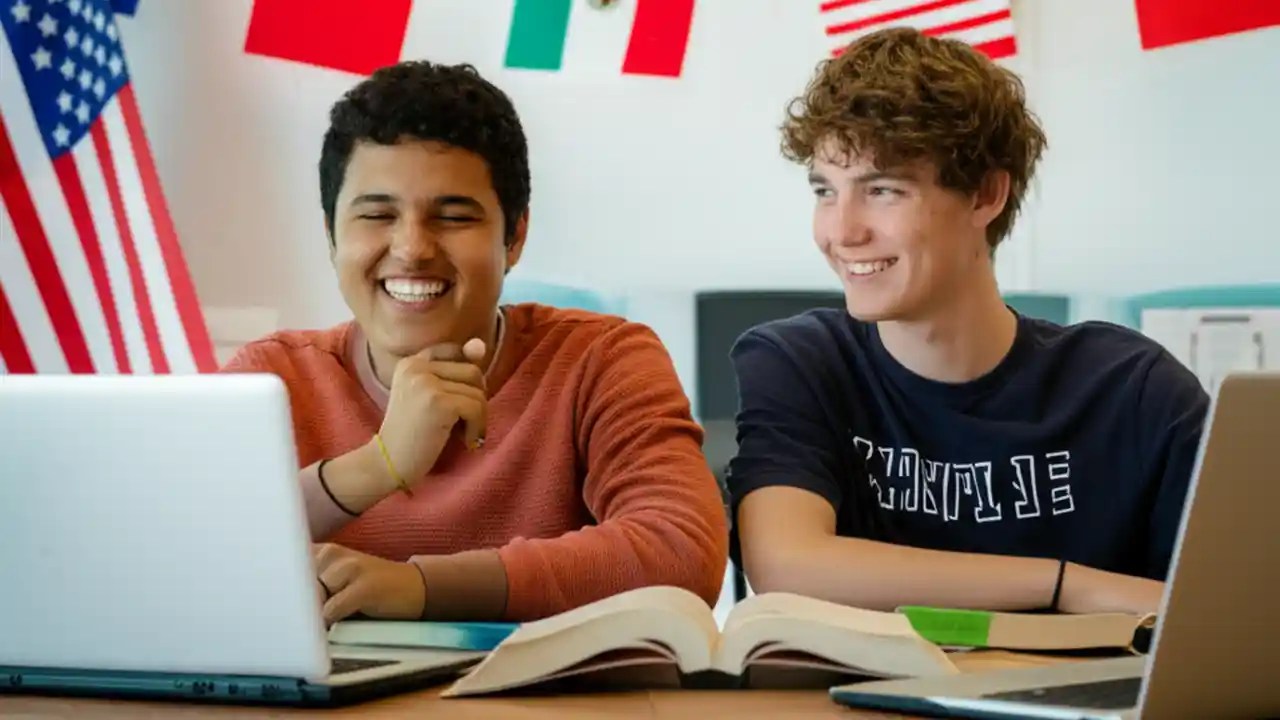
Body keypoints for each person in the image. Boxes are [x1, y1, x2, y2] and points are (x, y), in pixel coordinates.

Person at [222, 60, 728, 624]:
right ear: (331, 235)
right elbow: (180, 551)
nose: (412, 247)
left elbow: (682, 551)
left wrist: (419, 587)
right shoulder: (269, 380)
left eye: (454, 216)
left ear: (514, 236)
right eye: (377, 214)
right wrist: (376, 468)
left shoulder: (603, 360)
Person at [727, 28, 1208, 617]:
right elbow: (786, 564)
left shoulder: (1135, 390)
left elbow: (1230, 611)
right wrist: (1068, 586)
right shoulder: (798, 362)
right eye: (826, 191)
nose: (842, 231)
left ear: (985, 195)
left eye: (882, 190)